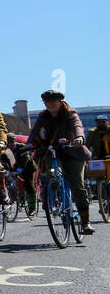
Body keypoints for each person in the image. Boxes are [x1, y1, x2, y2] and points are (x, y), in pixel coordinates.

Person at [28, 90, 95, 235]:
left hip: (73, 153)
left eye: (53, 101)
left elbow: (78, 127)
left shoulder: (70, 114)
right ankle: (51, 196)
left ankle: (85, 223)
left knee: (77, 184)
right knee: (51, 174)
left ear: (60, 101)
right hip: (52, 152)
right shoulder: (42, 116)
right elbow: (34, 133)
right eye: (47, 101)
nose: (50, 104)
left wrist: (79, 138)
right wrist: (28, 144)